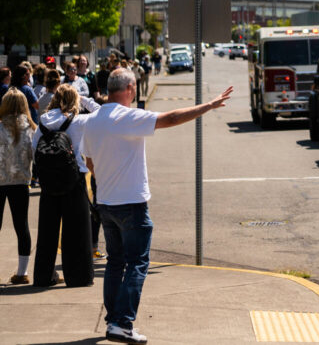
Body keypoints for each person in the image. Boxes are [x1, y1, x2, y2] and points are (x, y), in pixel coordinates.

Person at [81, 68, 233, 344]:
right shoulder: (127, 117)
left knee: (116, 262)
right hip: (131, 204)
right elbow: (171, 118)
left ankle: (113, 320)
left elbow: (89, 163)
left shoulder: (92, 121)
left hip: (105, 203)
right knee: (137, 263)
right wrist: (208, 106)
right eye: (135, 86)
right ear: (128, 87)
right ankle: (122, 323)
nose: (136, 90)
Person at [32, 85, 94, 288]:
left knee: (47, 231)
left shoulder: (43, 121)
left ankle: (43, 276)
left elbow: (34, 149)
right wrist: (85, 100)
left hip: (48, 181)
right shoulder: (79, 121)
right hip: (74, 179)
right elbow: (103, 114)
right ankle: (78, 276)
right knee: (76, 231)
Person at [0, 90, 35, 285]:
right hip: (21, 182)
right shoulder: (30, 129)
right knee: (22, 227)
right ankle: (22, 272)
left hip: (0, 181)